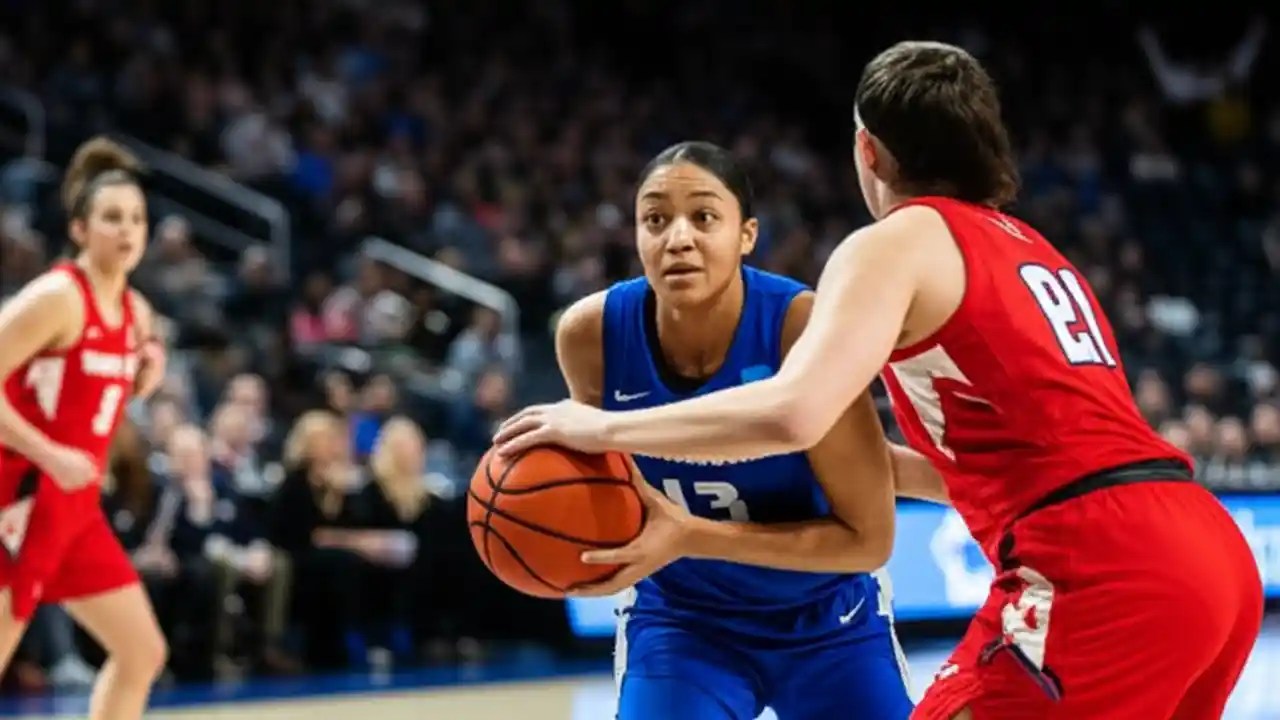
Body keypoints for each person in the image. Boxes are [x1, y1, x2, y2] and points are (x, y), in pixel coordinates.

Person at [496, 42, 1264, 720]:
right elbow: (993, 463)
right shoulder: (1032, 247)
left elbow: (794, 414)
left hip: (1099, 565)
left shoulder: (891, 243)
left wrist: (601, 427)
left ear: (868, 151)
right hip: (1205, 550)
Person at [551, 140, 912, 719]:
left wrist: (689, 534)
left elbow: (869, 539)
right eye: (655, 219)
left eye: (704, 217)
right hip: (683, 623)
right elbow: (603, 493)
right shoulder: (590, 334)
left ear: (746, 235)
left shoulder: (800, 324)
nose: (678, 238)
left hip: (828, 617)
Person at [0, 136, 169, 719]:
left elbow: (110, 380)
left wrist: (147, 369)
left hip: (74, 505)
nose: (127, 231)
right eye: (112, 218)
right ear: (79, 230)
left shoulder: (135, 310)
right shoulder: (56, 298)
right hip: (18, 493)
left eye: (137, 219)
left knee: (141, 651)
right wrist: (48, 453)